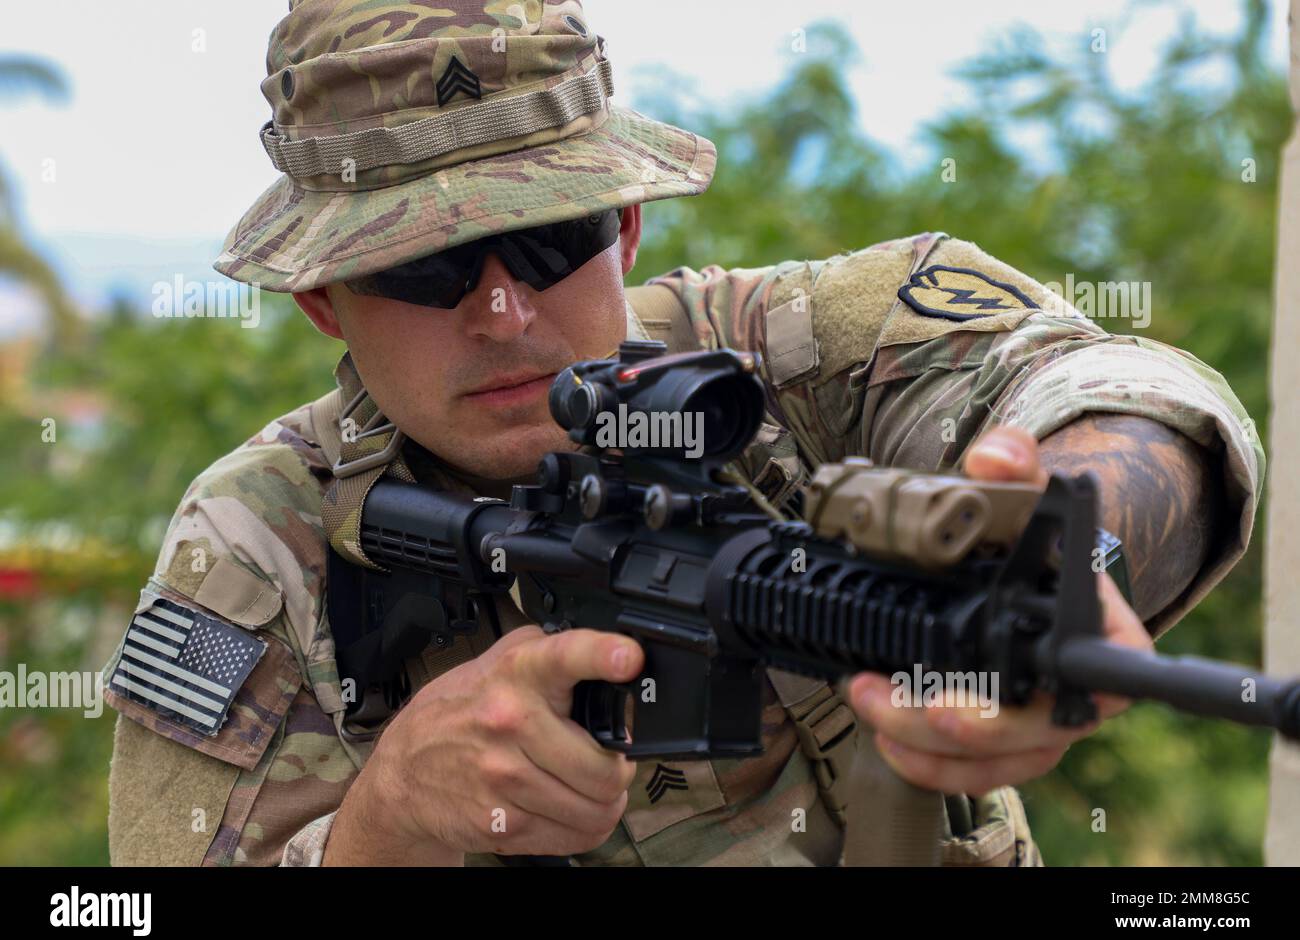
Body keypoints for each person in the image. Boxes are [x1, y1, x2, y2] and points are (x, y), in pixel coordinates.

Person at [101, 0, 1263, 867]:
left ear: (627, 225)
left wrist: (1072, 553)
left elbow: (1113, 383)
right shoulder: (254, 544)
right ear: (323, 300)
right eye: (428, 265)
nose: (503, 310)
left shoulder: (787, 355)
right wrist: (385, 823)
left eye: (553, 239)